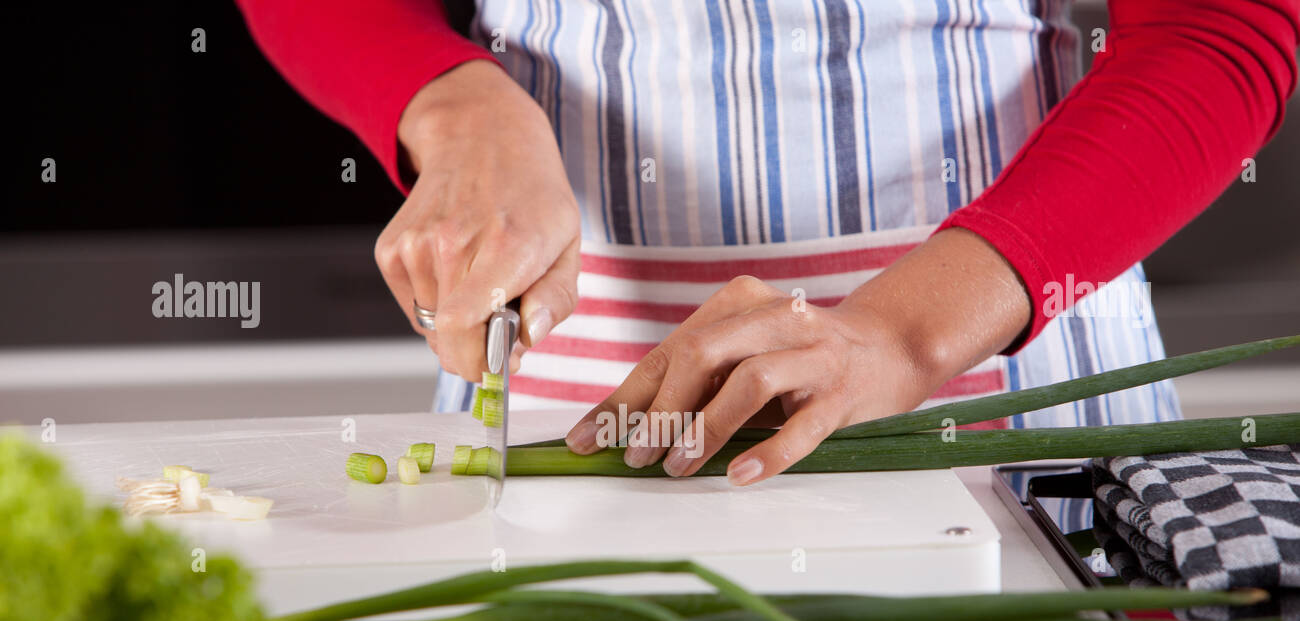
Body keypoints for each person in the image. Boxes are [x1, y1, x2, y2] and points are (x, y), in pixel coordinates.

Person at [238, 0, 1298, 484]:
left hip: (998, 379)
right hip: (570, 380)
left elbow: (1217, 25)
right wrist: (456, 108)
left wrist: (901, 334)